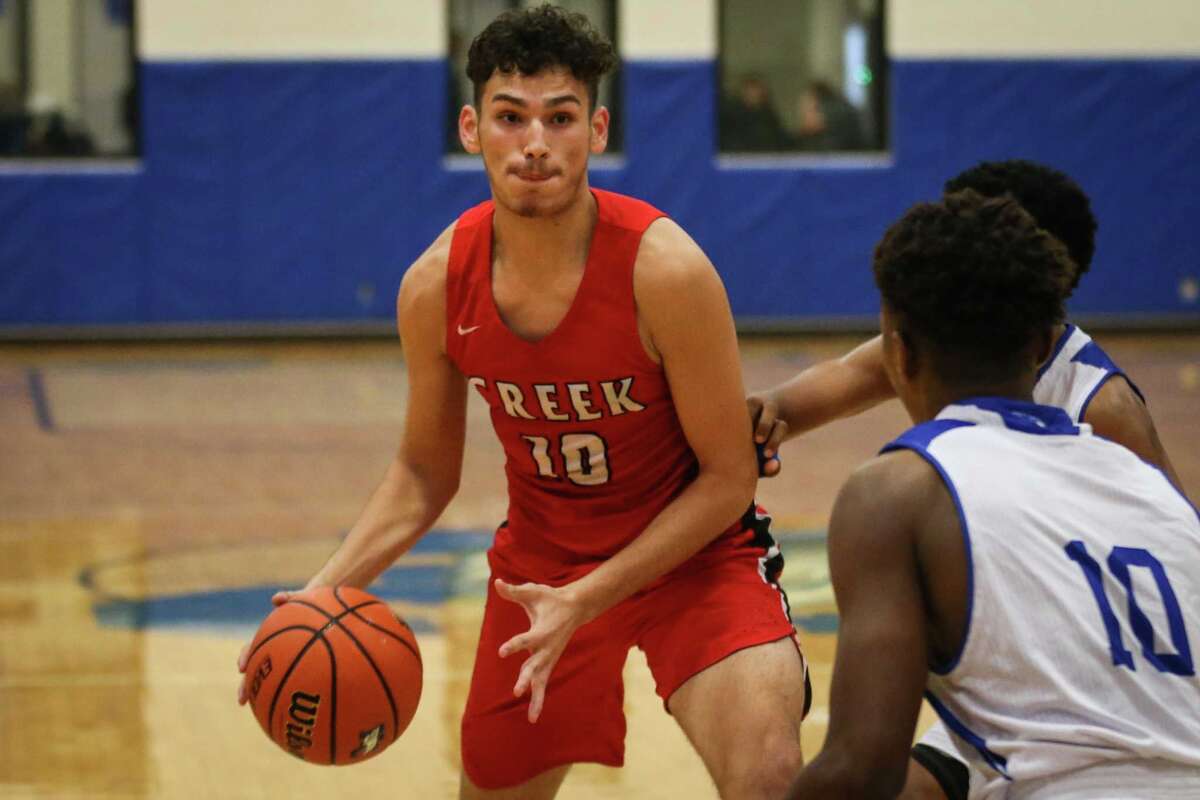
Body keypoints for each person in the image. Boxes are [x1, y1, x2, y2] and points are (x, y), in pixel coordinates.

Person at [238, 6, 808, 799]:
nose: (535, 142)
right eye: (510, 117)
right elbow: (422, 473)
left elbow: (728, 478)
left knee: (770, 776)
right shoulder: (435, 286)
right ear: (471, 128)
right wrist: (322, 592)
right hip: (541, 576)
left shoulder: (667, 272)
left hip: (696, 559)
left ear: (596, 130)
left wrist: (591, 598)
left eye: (560, 118)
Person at [751, 159, 1185, 798]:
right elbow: (842, 378)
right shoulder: (981, 342)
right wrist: (766, 413)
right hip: (1067, 687)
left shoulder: (1103, 411)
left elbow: (860, 770)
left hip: (1090, 682)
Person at [719, 73, 791, 153]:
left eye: (758, 89)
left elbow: (781, 141)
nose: (755, 93)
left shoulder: (768, 117)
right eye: (751, 89)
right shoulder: (733, 119)